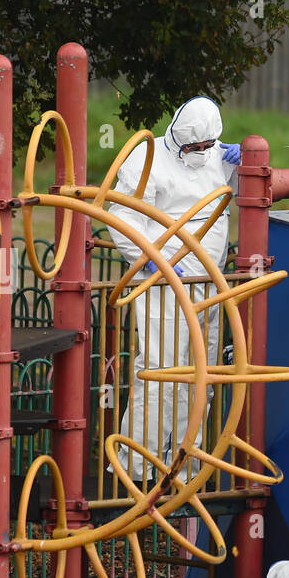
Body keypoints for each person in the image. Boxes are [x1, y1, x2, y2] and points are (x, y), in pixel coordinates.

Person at [107, 96, 243, 483]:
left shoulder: (219, 155)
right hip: (164, 285)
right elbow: (121, 217)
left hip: (209, 285)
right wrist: (150, 258)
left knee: (201, 375)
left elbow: (257, 183)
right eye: (195, 148)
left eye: (207, 146)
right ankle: (136, 468)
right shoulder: (147, 163)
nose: (202, 153)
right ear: (179, 140)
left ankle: (187, 465)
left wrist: (246, 159)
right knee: (159, 373)